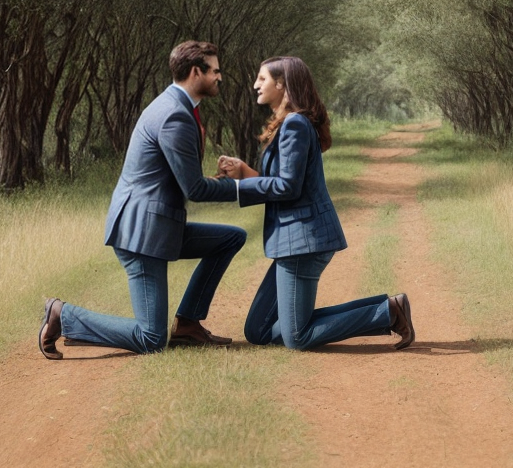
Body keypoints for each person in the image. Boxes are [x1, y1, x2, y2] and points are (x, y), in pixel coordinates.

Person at [38, 40, 246, 358]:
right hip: (142, 234)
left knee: (230, 238)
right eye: (215, 71)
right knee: (151, 338)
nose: (220, 77)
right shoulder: (174, 115)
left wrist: (218, 180)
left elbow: (180, 180)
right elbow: (194, 189)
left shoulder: (176, 107)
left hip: (159, 226)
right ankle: (62, 316)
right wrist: (245, 186)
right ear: (196, 72)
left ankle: (188, 325)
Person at [217, 56, 414, 351]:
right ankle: (388, 308)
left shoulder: (295, 124)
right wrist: (245, 172)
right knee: (258, 329)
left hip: (304, 241)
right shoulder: (288, 123)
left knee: (297, 336)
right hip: (292, 241)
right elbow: (282, 182)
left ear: (281, 84)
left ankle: (388, 312)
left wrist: (237, 187)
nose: (255, 85)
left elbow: (287, 186)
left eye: (262, 79)